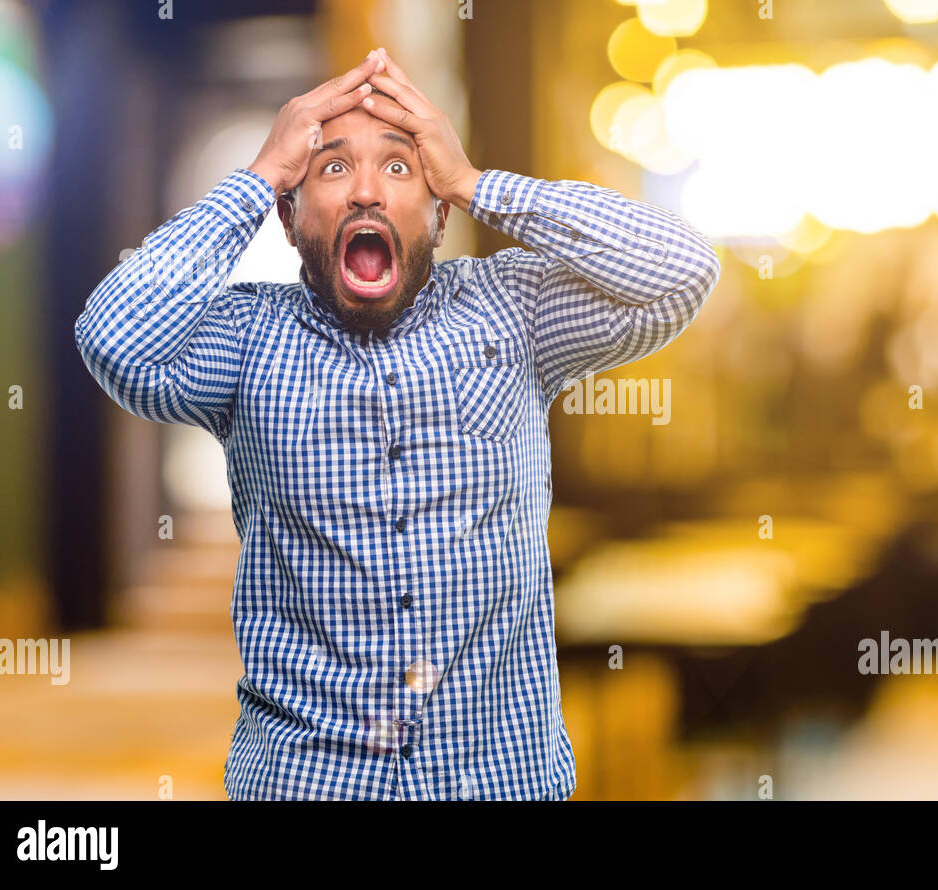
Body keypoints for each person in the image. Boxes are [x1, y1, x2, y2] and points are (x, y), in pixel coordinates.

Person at [74, 47, 720, 800]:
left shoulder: (512, 309)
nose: (368, 194)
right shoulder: (248, 341)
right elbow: (114, 337)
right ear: (291, 217)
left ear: (439, 214)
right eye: (333, 168)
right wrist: (255, 180)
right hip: (310, 784)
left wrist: (478, 183)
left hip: (497, 782)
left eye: (401, 168)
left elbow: (680, 269)